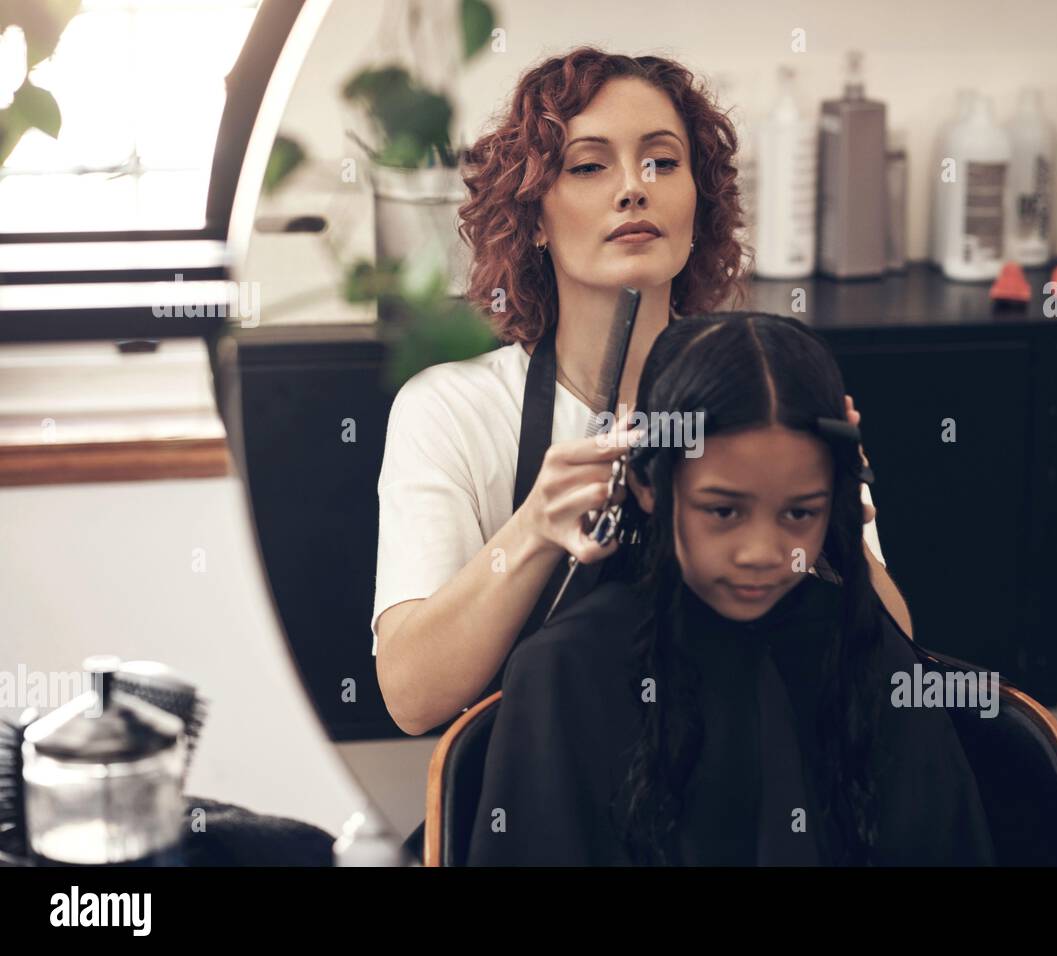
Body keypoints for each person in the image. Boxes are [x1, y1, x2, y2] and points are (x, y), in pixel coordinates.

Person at [372, 46, 910, 743]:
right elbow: (412, 699)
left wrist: (834, 525)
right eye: (589, 165)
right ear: (533, 215)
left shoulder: (770, 391)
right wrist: (534, 527)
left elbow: (895, 659)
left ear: (698, 199)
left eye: (662, 161)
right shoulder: (449, 410)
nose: (634, 187)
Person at [466, 313, 996, 866]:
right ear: (648, 484)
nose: (762, 552)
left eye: (800, 511)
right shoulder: (565, 674)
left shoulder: (869, 655)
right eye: (723, 510)